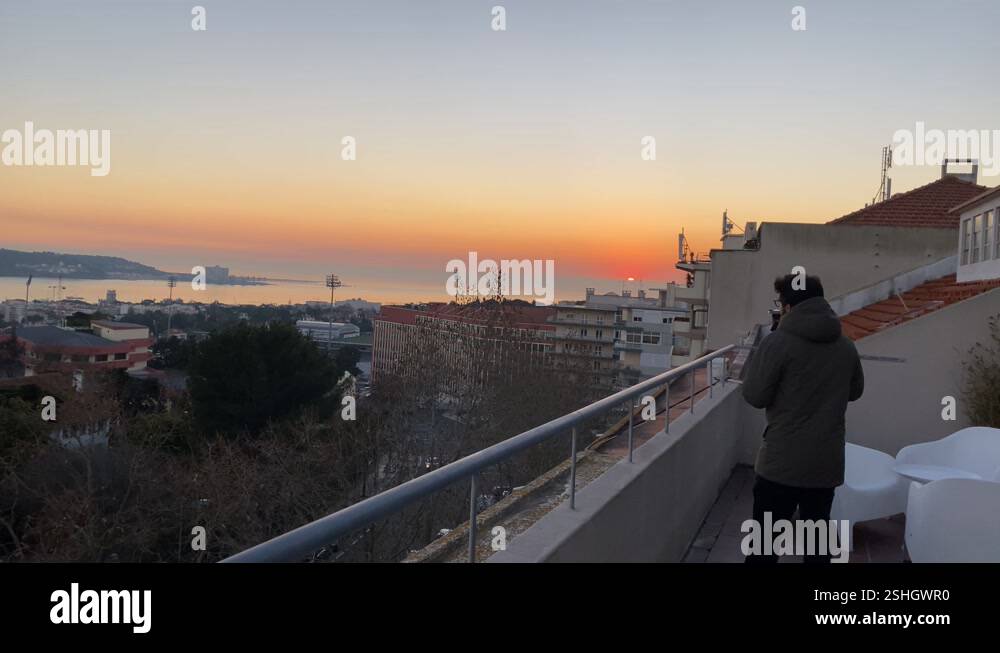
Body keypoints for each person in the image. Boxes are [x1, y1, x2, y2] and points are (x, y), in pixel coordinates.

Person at [742, 274, 864, 563]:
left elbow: (755, 395)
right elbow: (855, 391)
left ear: (787, 306)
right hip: (825, 462)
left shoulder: (778, 343)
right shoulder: (845, 345)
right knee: (817, 547)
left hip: (781, 463)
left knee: (763, 547)